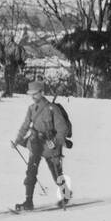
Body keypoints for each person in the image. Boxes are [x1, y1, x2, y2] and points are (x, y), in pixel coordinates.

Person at [10, 79, 72, 210]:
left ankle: (66, 194)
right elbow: (25, 126)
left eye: (35, 93)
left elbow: (62, 129)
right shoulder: (31, 109)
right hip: (35, 143)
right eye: (31, 94)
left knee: (56, 172)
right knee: (31, 171)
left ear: (42, 93)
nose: (32, 97)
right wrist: (17, 140)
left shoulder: (52, 109)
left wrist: (55, 142)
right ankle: (28, 201)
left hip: (50, 145)